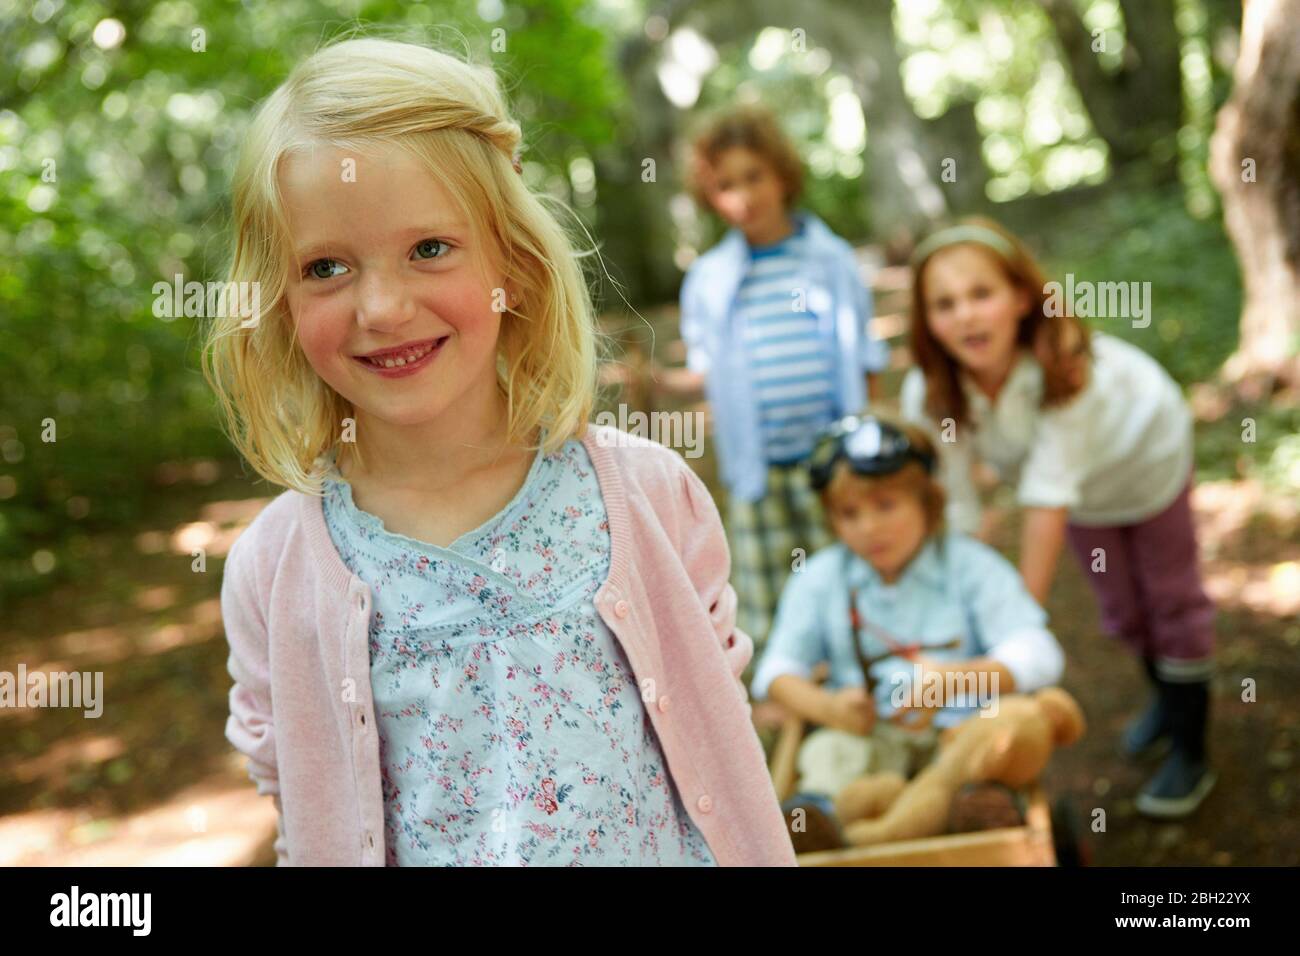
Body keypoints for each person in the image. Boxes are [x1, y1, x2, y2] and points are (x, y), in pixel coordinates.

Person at [204, 37, 793, 866]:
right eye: (327, 266)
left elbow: (716, 732)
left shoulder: (650, 497)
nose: (382, 305)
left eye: (430, 249)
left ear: (510, 264)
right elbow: (302, 801)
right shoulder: (275, 569)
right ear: (279, 301)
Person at [901, 218, 1217, 818]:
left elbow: (1046, 500)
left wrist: (1013, 633)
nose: (966, 316)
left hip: (1146, 463)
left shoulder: (1066, 368)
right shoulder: (932, 392)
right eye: (944, 304)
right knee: (1123, 609)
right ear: (925, 319)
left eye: (981, 294)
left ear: (1020, 297)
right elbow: (960, 509)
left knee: (1171, 601)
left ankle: (1191, 748)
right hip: (1085, 492)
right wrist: (958, 608)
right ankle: (1165, 697)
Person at [751, 414, 1064, 799]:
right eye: (849, 514)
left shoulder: (971, 567)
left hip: (958, 735)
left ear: (928, 503)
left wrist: (958, 680)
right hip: (867, 744)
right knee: (826, 754)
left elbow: (1039, 654)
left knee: (992, 748)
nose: (868, 527)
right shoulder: (820, 578)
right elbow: (777, 671)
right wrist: (830, 709)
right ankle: (827, 822)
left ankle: (971, 813)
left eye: (885, 505)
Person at [679, 105, 890, 653]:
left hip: (831, 462)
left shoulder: (829, 259)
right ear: (710, 195)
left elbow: (864, 356)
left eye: (754, 176)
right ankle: (792, 690)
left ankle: (859, 676)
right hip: (758, 469)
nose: (743, 195)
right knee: (768, 593)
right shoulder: (709, 279)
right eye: (726, 185)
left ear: (782, 174)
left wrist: (867, 445)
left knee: (849, 578)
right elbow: (708, 371)